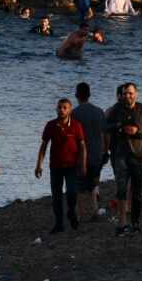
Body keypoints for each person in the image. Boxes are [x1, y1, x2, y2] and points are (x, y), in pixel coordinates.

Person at [105, 82, 142, 235]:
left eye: (130, 93)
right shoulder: (116, 109)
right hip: (120, 155)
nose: (127, 96)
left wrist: (137, 131)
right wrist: (119, 126)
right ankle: (122, 223)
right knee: (121, 190)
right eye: (124, 93)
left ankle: (135, 223)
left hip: (139, 156)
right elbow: (105, 127)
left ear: (136, 94)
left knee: (137, 192)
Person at [36, 98, 87, 233]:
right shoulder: (51, 125)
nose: (61, 110)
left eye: (65, 108)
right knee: (56, 196)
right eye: (59, 107)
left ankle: (71, 212)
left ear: (70, 110)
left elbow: (82, 146)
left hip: (72, 166)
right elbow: (44, 145)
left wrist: (83, 164)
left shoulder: (76, 125)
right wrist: (39, 164)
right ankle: (59, 224)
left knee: (71, 192)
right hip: (55, 166)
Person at [71, 83, 108, 220]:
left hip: (81, 156)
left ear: (77, 95)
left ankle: (79, 214)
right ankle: (94, 210)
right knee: (93, 183)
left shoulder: (74, 114)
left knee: (78, 186)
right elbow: (105, 134)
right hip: (97, 154)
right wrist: (105, 151)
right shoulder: (99, 112)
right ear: (89, 95)